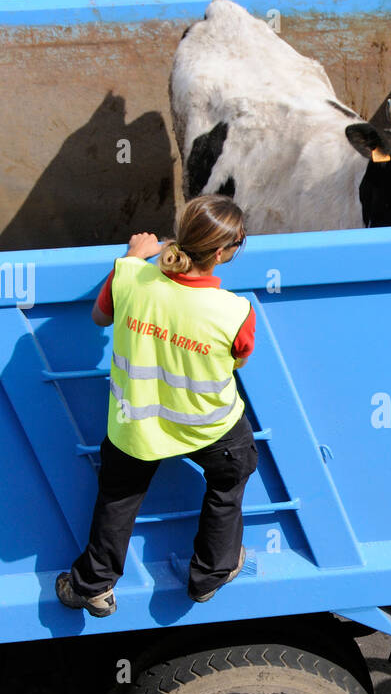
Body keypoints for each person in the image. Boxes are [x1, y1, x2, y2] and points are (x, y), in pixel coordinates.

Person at [56, 194, 258, 617]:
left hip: (137, 425)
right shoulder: (234, 310)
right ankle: (210, 574)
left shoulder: (130, 276)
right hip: (209, 428)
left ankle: (92, 585)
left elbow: (98, 319)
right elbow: (240, 358)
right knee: (233, 472)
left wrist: (133, 258)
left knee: (118, 497)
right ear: (221, 254)